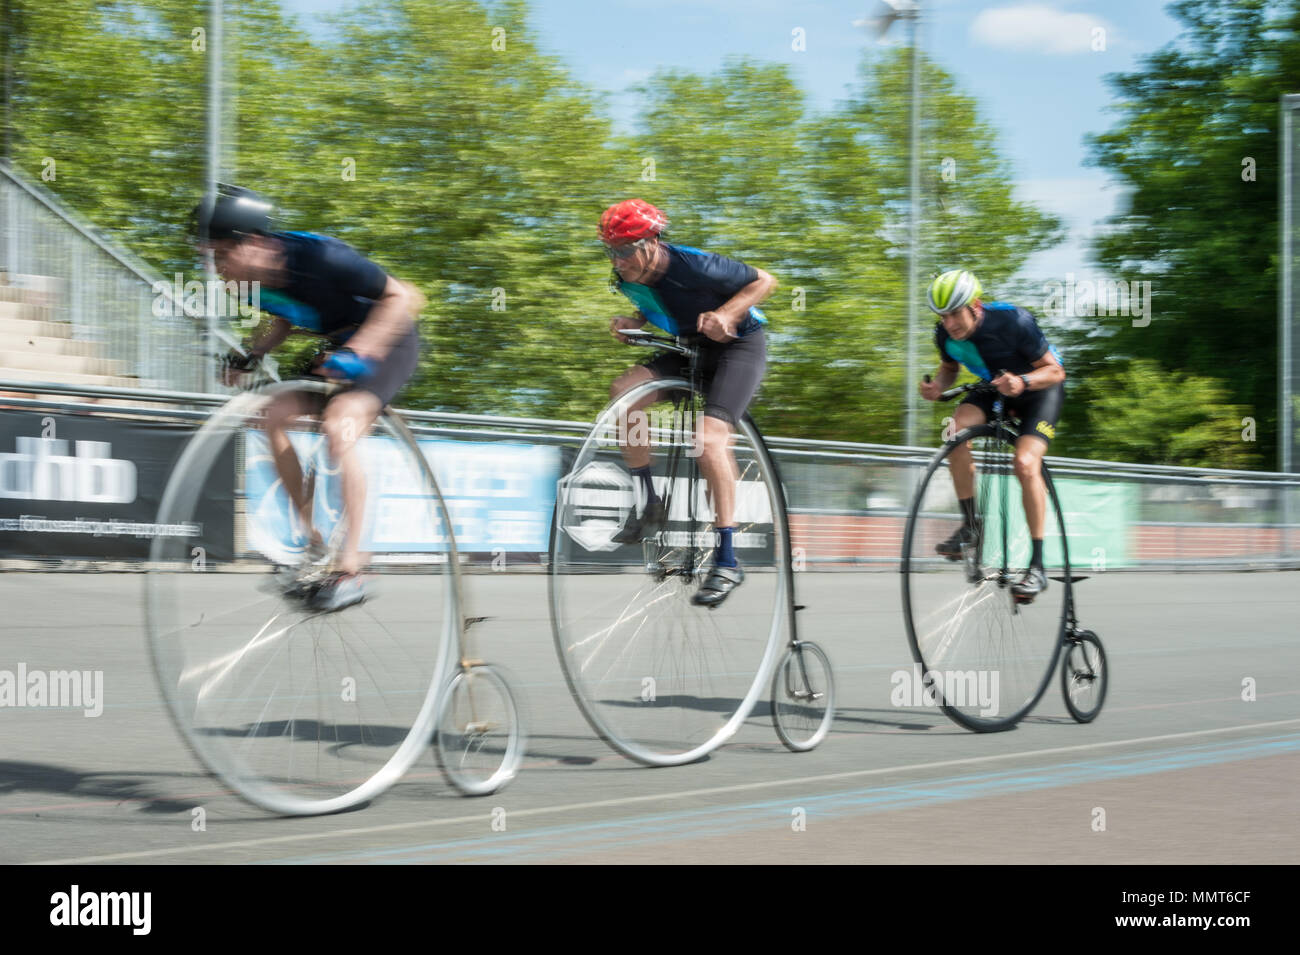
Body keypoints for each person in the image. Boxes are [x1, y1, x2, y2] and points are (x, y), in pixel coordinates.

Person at [194, 185, 421, 611]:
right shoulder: (249, 283)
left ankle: (352, 568)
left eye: (222, 255)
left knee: (341, 425)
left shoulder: (323, 257)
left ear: (255, 242)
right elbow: (283, 318)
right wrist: (249, 355)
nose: (218, 269)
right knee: (271, 414)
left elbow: (405, 296)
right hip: (337, 348)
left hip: (389, 339)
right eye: (211, 258)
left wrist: (360, 352)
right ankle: (312, 542)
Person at [599, 199, 776, 607]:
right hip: (689, 347)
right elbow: (658, 302)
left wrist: (728, 314)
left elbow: (763, 281)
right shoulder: (625, 276)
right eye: (611, 251)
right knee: (625, 392)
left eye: (625, 250)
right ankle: (648, 501)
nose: (619, 260)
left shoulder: (694, 265)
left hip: (737, 348)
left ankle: (728, 558)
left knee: (708, 440)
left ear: (653, 241)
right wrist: (634, 322)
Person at [918, 268, 1066, 601]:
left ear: (976, 305)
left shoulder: (1014, 321)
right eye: (943, 317)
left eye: (955, 313)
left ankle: (1037, 567)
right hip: (995, 387)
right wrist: (936, 387)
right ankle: (971, 526)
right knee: (954, 432)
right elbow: (950, 368)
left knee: (1026, 464)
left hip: (1038, 390)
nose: (950, 324)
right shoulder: (943, 333)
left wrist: (1023, 382)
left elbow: (1056, 371)